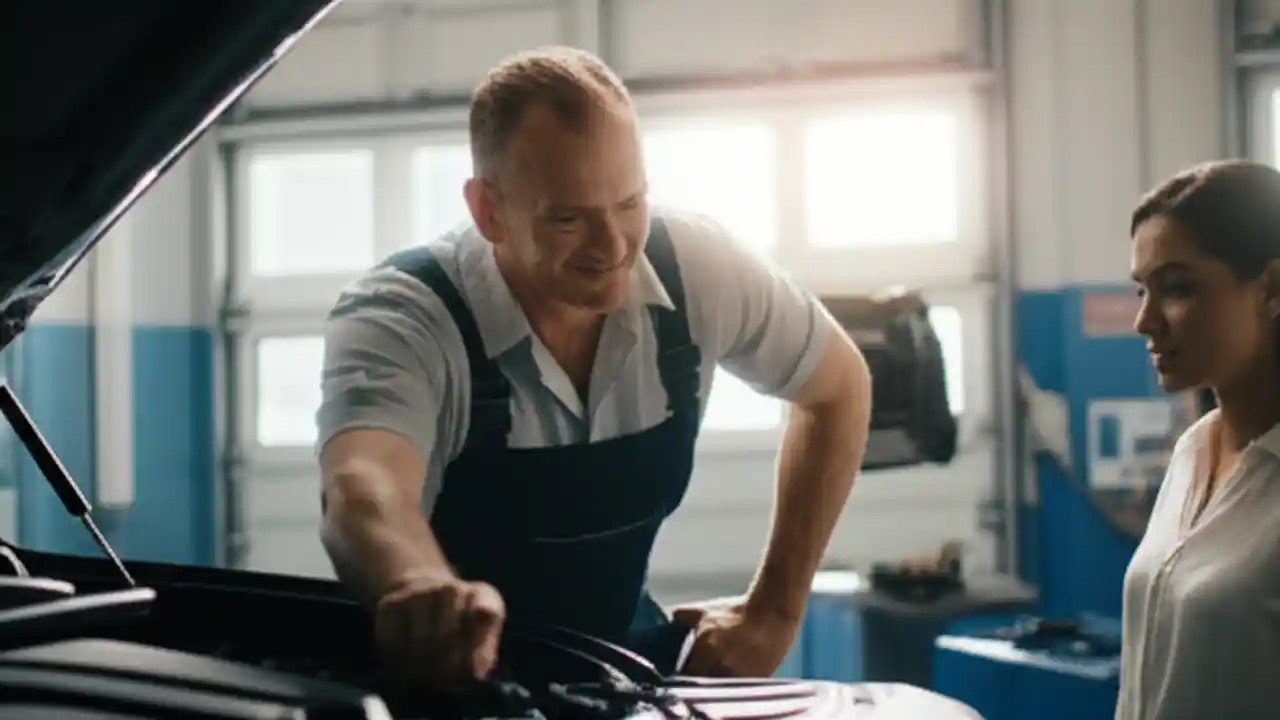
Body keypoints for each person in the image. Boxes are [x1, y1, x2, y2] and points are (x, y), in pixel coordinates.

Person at [315, 46, 872, 692]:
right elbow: (363, 487)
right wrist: (419, 584)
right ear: (488, 210)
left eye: (630, 203)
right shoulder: (404, 316)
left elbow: (839, 388)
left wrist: (775, 611)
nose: (612, 248)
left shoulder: (699, 271)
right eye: (569, 219)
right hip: (446, 694)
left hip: (618, 680)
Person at [1120, 159, 1280, 719]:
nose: (1144, 321)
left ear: (1272, 287)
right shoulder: (1192, 452)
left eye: (1177, 288)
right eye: (1142, 290)